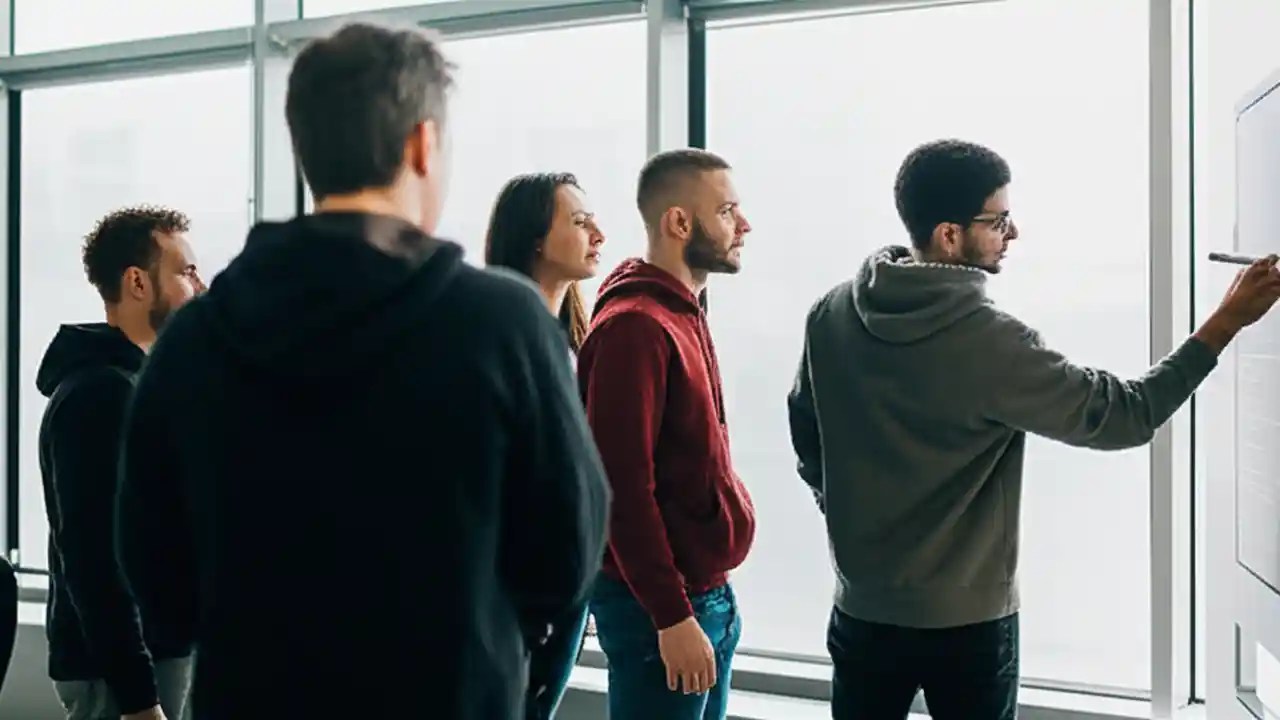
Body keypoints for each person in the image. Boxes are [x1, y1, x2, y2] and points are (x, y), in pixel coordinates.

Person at [113, 22, 611, 720]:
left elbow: (156, 575)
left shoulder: (194, 339)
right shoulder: (504, 323)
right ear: (421, 145)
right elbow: (566, 555)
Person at [787, 138, 1280, 720]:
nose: (1012, 234)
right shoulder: (991, 342)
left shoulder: (830, 312)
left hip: (861, 610)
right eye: (999, 221)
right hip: (965, 628)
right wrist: (1224, 322)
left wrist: (846, 513)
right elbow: (1126, 414)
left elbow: (805, 434)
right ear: (949, 234)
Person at [578, 148, 756, 720]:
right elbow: (620, 491)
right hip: (660, 607)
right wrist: (671, 616)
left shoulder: (682, 312)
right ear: (679, 223)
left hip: (703, 594)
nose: (744, 225)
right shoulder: (636, 327)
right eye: (728, 211)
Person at [37, 206, 205, 720]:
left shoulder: (137, 386)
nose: (201, 284)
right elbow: (95, 561)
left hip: (160, 654)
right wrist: (138, 700)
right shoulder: (101, 396)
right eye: (185, 270)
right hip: (127, 672)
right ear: (137, 282)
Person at [483, 171, 606, 719]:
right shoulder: (497, 341)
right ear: (535, 237)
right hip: (511, 597)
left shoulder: (575, 339)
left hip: (568, 592)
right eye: (579, 222)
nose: (598, 233)